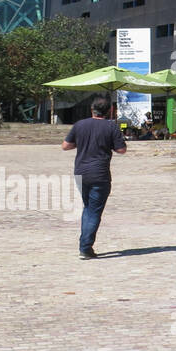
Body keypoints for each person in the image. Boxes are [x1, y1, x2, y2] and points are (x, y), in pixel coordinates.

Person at [61, 95, 127, 259]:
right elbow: (121, 150)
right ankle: (85, 247)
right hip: (100, 174)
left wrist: (81, 142)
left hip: (81, 172)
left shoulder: (80, 125)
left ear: (92, 109)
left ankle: (85, 244)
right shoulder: (111, 127)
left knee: (88, 207)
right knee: (94, 210)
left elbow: (65, 146)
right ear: (110, 111)